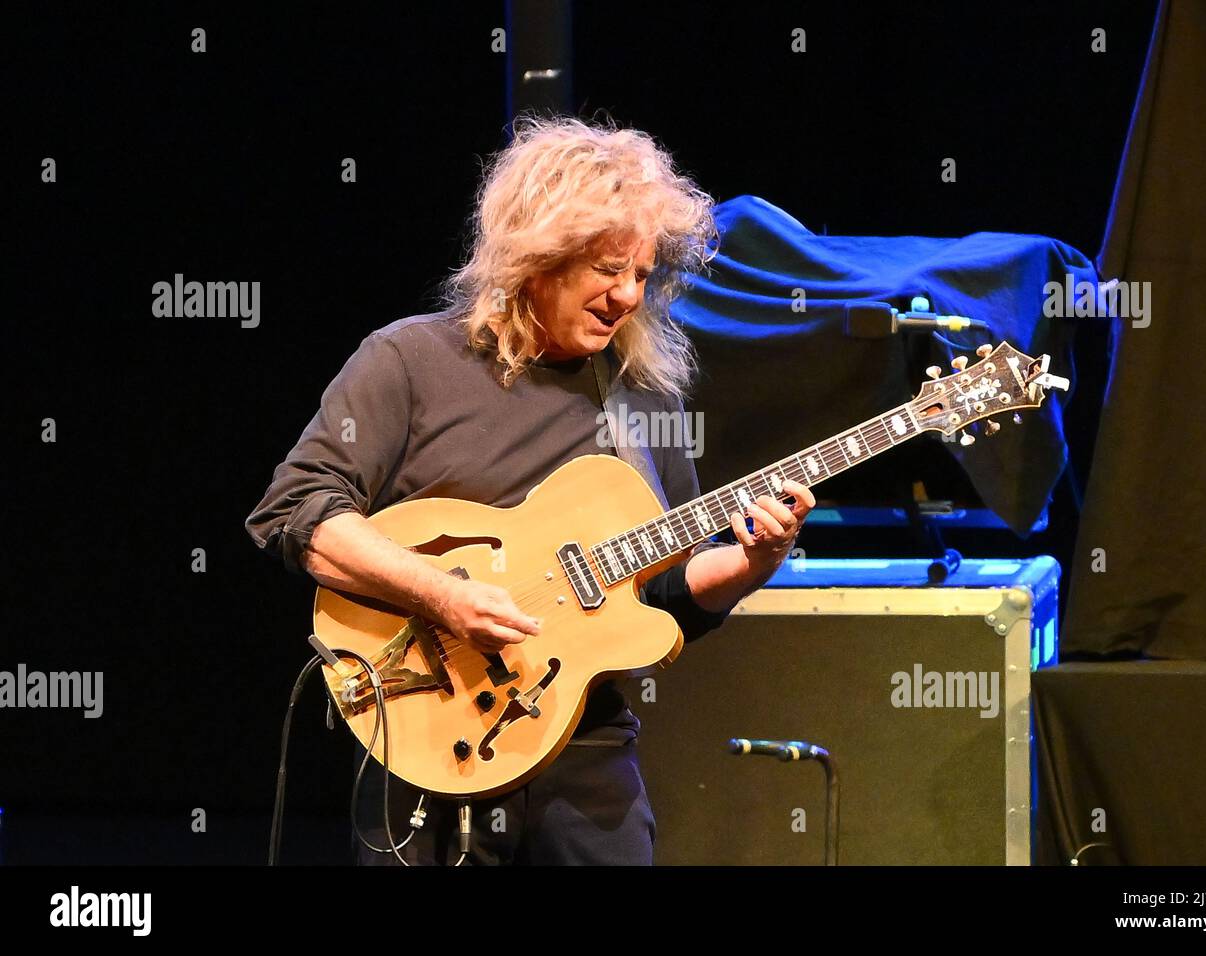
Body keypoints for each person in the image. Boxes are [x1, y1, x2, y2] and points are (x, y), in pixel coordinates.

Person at [246, 115, 814, 865]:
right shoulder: (410, 361)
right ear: (538, 255)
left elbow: (666, 597)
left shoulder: (643, 401)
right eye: (608, 269)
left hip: (585, 764)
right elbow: (294, 512)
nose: (627, 296)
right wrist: (441, 596)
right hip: (429, 749)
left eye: (643, 274)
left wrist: (750, 564)